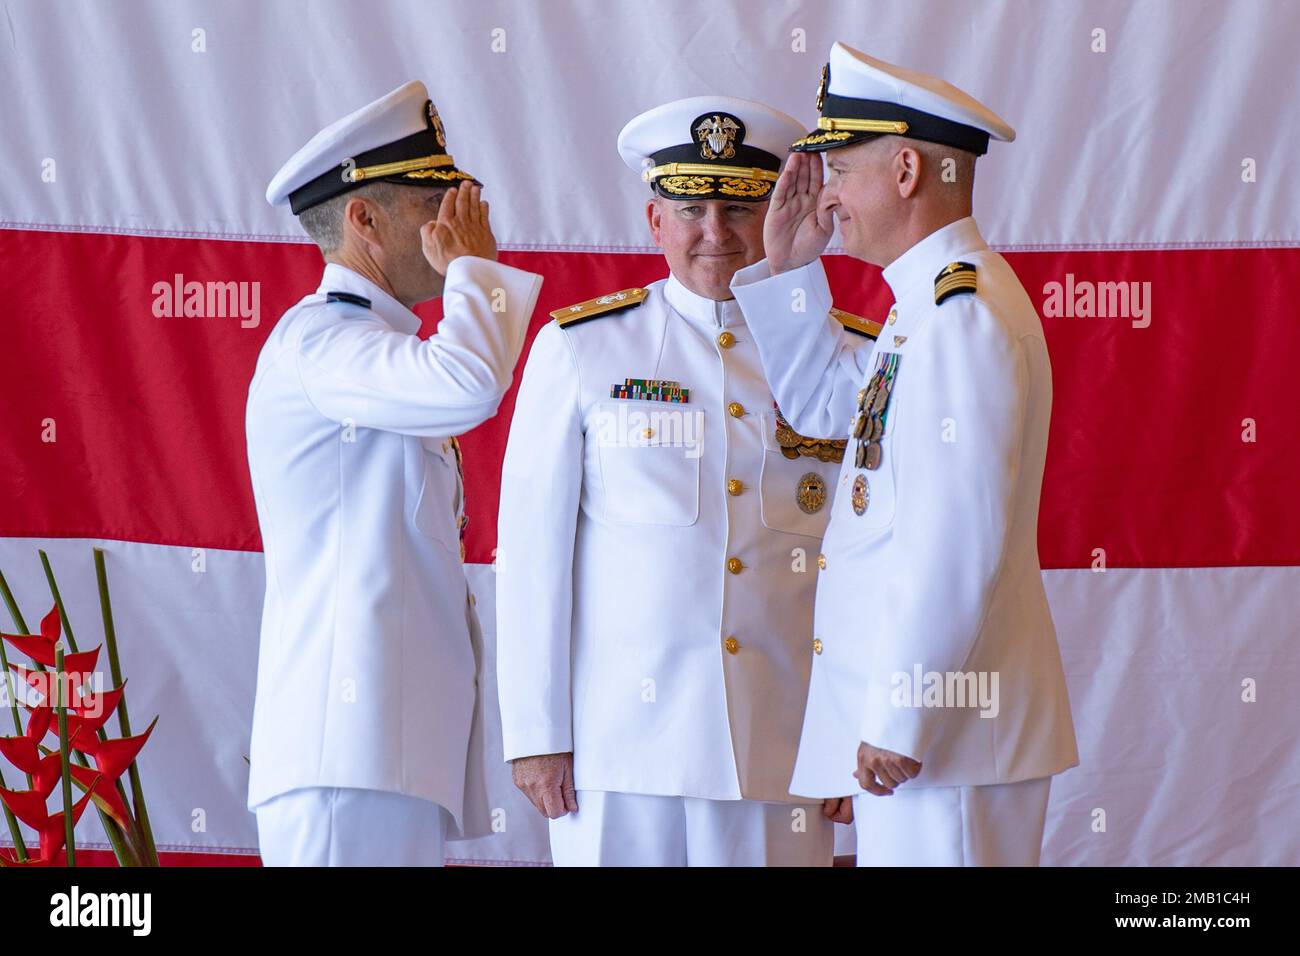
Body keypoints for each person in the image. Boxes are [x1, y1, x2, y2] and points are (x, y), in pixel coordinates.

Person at [496, 96, 875, 866]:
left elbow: (869, 558)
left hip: (784, 745)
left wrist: (849, 726)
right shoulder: (582, 349)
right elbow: (532, 556)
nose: (716, 232)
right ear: (653, 221)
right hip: (618, 755)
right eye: (691, 207)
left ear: (776, 214)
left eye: (739, 207)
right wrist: (537, 736)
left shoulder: (845, 359)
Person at [730, 43, 1079, 866]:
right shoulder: (924, 307)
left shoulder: (960, 314)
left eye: (841, 170)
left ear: (907, 170)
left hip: (950, 728)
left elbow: (959, 541)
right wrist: (787, 274)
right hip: (935, 731)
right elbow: (826, 409)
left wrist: (899, 716)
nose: (829, 198)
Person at [246, 80, 542, 866]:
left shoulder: (376, 348)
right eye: (431, 206)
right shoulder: (323, 343)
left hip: (381, 755)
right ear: (364, 221)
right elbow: (470, 384)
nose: (451, 227)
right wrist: (478, 269)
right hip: (345, 757)